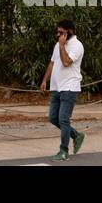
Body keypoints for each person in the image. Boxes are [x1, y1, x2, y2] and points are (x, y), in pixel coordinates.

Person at [39, 18, 85, 161]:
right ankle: (76, 135)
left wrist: (61, 46)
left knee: (63, 119)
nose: (58, 35)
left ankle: (63, 151)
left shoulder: (77, 46)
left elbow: (66, 62)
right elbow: (53, 63)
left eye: (61, 32)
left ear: (70, 32)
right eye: (57, 32)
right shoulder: (57, 44)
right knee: (53, 118)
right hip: (56, 87)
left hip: (70, 88)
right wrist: (45, 80)